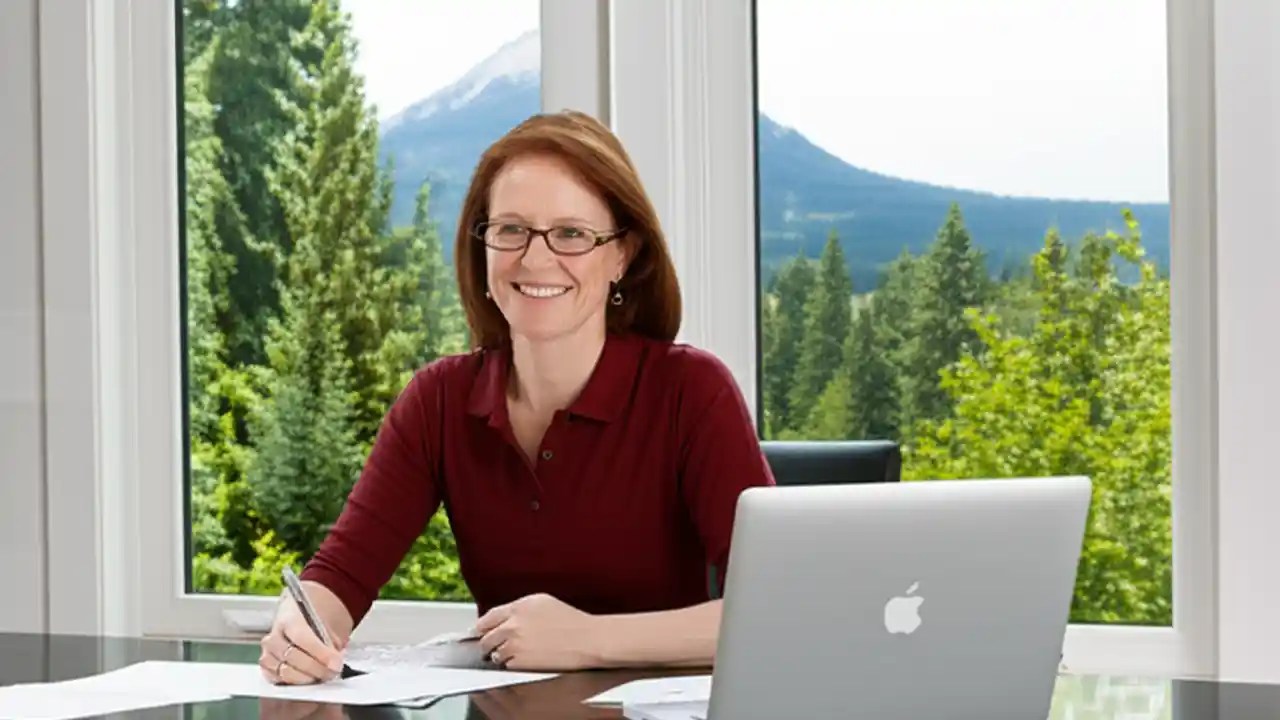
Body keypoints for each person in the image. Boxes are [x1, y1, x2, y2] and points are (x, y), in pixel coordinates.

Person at [257, 110, 775, 685]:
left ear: (622, 255)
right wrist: (298, 628)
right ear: (482, 246)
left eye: (572, 233)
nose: (535, 258)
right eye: (511, 230)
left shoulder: (692, 393)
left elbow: (778, 610)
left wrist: (586, 640)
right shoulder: (438, 401)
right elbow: (338, 577)